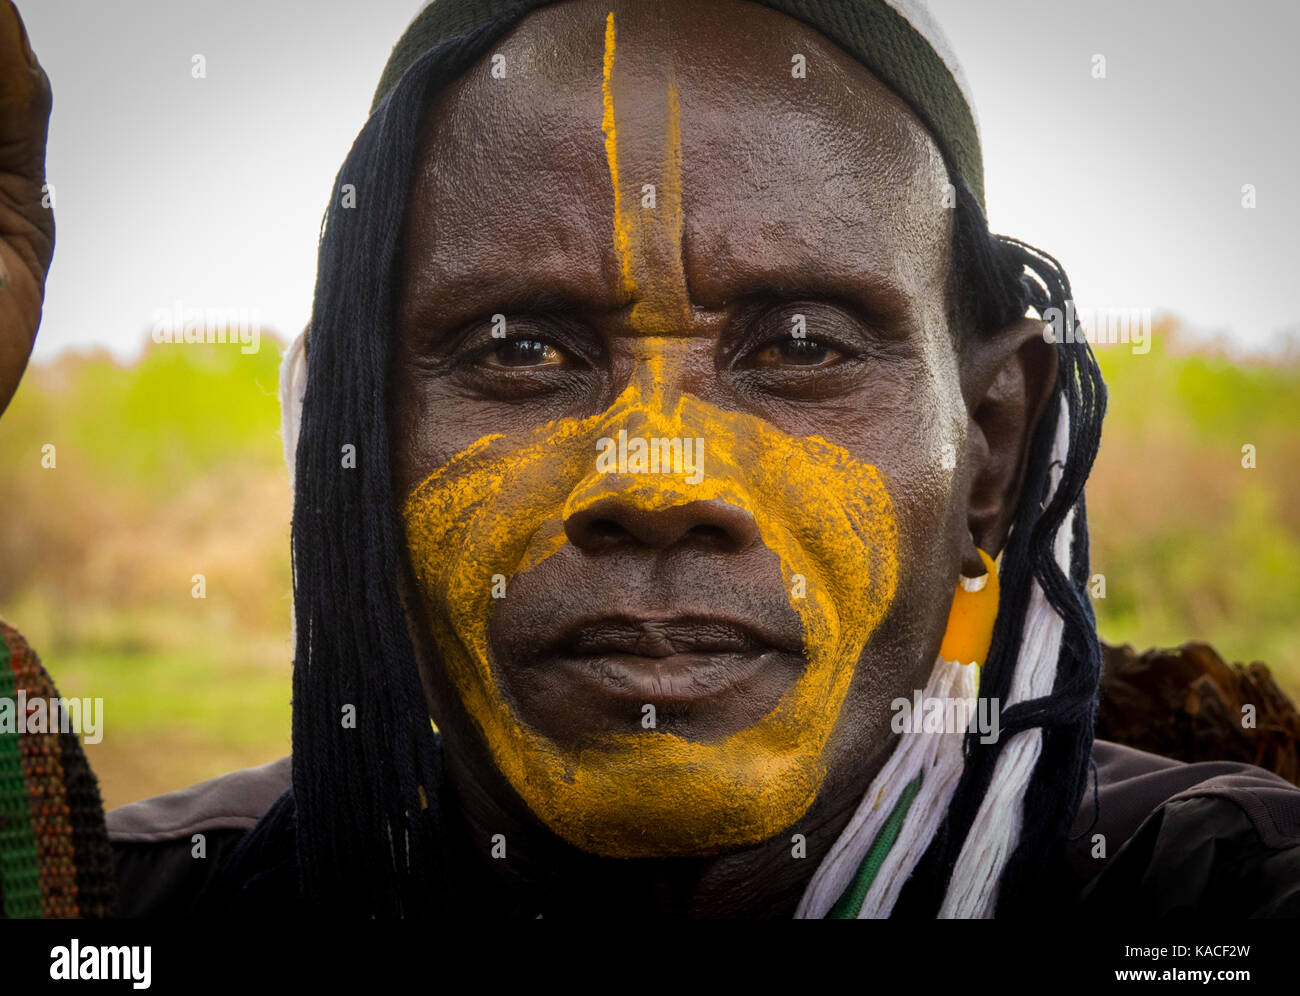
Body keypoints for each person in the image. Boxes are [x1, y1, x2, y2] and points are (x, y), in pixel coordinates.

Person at [3, 0, 1299, 920]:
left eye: (799, 345)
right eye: (522, 352)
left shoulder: (1212, 891)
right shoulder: (128, 908)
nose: (659, 473)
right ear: (354, 445)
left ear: (993, 453)